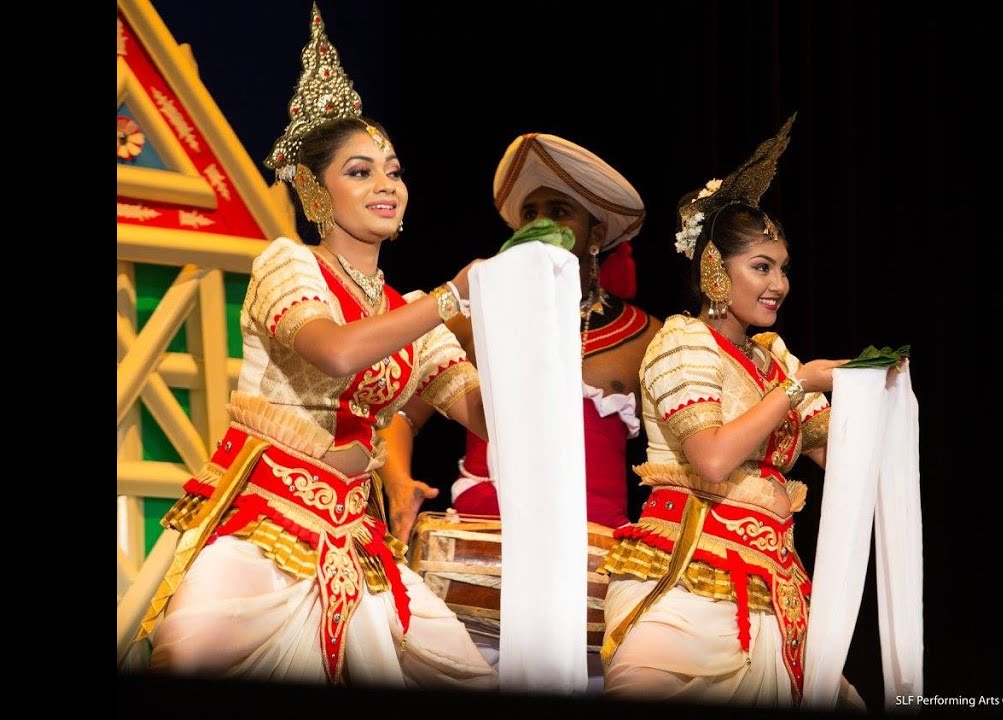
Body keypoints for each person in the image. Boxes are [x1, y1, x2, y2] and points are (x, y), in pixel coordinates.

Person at [135, 6, 497, 689]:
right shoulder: (290, 264)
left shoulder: (402, 310)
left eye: (393, 170)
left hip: (352, 535)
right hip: (265, 517)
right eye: (360, 172)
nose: (386, 185)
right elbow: (333, 351)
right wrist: (449, 301)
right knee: (191, 658)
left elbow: (481, 416)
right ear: (314, 190)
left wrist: (524, 339)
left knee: (465, 675)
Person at [598, 116, 882, 708]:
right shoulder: (682, 344)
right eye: (762, 267)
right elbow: (712, 455)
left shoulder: (773, 358)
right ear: (713, 270)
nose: (779, 283)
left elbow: (845, 462)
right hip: (691, 582)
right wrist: (800, 386)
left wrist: (879, 400)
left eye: (782, 268)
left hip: (775, 586)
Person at [381, 133, 660, 543]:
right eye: (529, 214)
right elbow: (399, 413)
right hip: (478, 547)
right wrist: (398, 482)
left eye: (559, 211)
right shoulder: (471, 317)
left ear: (596, 235)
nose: (541, 225)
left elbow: (678, 459)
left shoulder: (647, 336)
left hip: (598, 557)